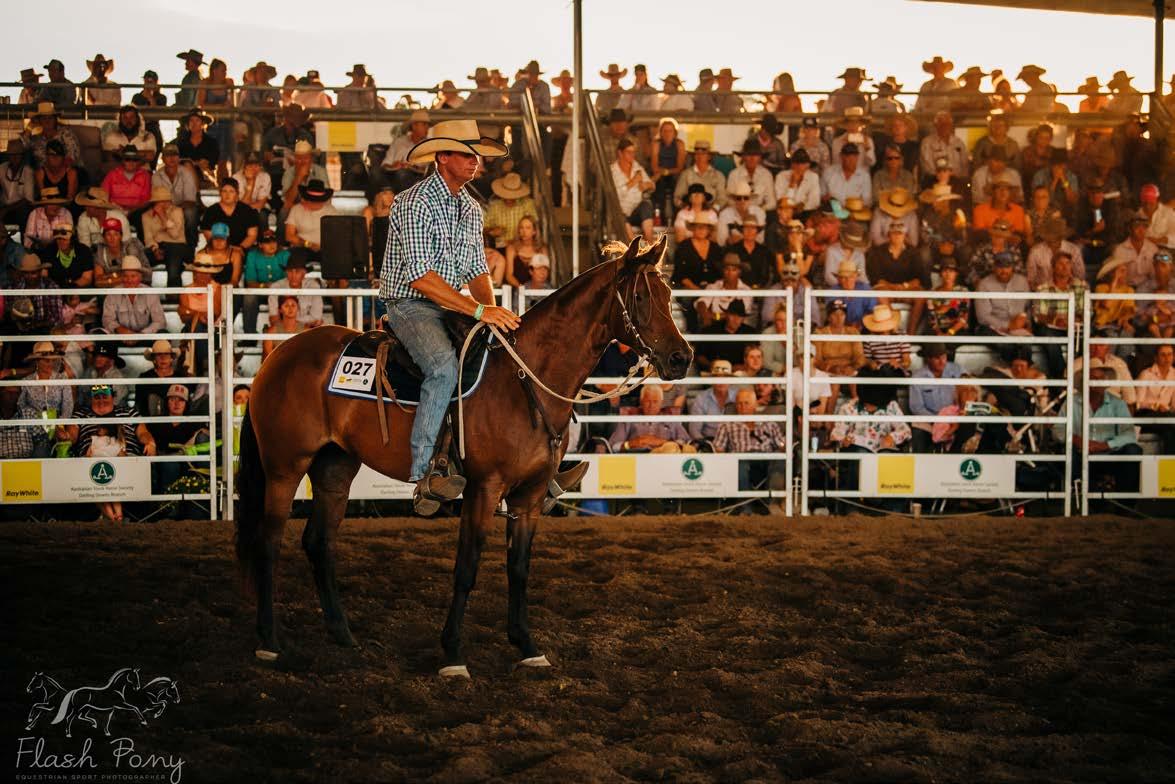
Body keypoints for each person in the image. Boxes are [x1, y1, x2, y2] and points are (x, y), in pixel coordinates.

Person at [378, 119, 519, 512]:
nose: (475, 161)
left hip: (452, 304)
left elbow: (476, 269)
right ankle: (424, 470)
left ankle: (512, 460)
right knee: (442, 367)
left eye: (477, 156)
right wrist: (480, 310)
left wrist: (492, 313)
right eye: (466, 154)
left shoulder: (471, 207)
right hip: (409, 304)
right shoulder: (413, 202)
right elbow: (420, 277)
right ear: (442, 157)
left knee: (504, 356)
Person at [66, 383, 155, 522]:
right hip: (90, 462)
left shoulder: (129, 413)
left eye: (105, 396)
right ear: (91, 399)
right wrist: (61, 434)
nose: (101, 400)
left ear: (113, 397)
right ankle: (115, 517)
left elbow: (143, 433)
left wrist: (150, 443)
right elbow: (71, 437)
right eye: (97, 397)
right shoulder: (80, 414)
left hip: (127, 461)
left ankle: (112, 516)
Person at [1057, 368, 1141, 494]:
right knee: (1068, 450)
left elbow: (1129, 434)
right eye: (1092, 378)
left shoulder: (1118, 403)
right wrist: (1077, 440)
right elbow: (1057, 429)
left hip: (1110, 455)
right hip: (1080, 455)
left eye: (1100, 379)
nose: (1096, 382)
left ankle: (1125, 501)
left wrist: (1104, 445)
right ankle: (1078, 496)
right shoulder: (1071, 402)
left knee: (1133, 450)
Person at [712, 387, 787, 491]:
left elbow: (781, 445)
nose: (742, 407)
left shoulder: (768, 423)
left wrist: (784, 447)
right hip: (740, 458)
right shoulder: (727, 425)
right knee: (739, 463)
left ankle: (773, 497)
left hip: (766, 458)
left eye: (746, 403)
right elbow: (718, 449)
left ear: (755, 405)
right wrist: (728, 460)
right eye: (739, 403)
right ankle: (745, 500)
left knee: (780, 459)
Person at [866, 220, 929, 330]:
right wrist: (893, 287)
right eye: (893, 233)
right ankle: (893, 329)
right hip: (887, 289)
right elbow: (876, 278)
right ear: (888, 235)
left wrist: (904, 286)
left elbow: (919, 278)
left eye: (900, 233)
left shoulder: (913, 252)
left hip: (906, 290)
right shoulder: (878, 252)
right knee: (879, 294)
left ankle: (911, 333)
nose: (897, 236)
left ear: (905, 235)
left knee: (921, 296)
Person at [909, 343, 962, 452]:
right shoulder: (917, 378)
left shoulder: (957, 370)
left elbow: (970, 390)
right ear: (928, 359)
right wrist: (938, 420)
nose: (942, 361)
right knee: (918, 429)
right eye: (937, 358)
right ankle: (920, 460)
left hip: (955, 418)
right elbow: (917, 408)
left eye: (944, 357)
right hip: (930, 419)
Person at [609, 385, 694, 453]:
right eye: (647, 401)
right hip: (636, 457)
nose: (651, 405)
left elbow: (685, 441)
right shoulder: (630, 418)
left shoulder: (670, 419)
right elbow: (614, 446)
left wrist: (662, 442)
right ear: (641, 401)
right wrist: (631, 444)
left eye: (655, 401)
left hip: (664, 458)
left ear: (661, 403)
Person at [101, 256, 164, 342]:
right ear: (121, 277)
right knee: (101, 334)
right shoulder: (113, 294)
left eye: (133, 276)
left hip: (144, 337)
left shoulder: (150, 293)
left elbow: (159, 322)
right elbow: (107, 319)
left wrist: (140, 335)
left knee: (163, 333)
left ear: (140, 277)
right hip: (120, 337)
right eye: (125, 276)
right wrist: (121, 331)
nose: (129, 280)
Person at [141, 186, 190, 287]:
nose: (164, 204)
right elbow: (148, 238)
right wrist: (155, 249)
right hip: (157, 245)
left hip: (176, 245)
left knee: (173, 270)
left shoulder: (177, 211)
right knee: (141, 261)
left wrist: (162, 215)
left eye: (166, 201)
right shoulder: (146, 215)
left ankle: (174, 295)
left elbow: (175, 234)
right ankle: (145, 291)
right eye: (160, 201)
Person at [152, 143, 200, 239]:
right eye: (168, 155)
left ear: (178, 158)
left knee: (190, 212)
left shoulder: (186, 173)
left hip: (184, 207)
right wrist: (169, 209)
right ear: (163, 158)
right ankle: (160, 244)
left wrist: (176, 209)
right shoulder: (157, 176)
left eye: (174, 155)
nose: (172, 158)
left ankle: (191, 243)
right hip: (164, 208)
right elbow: (158, 200)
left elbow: (190, 200)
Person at [612, 139, 655, 243]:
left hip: (636, 211)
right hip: (621, 212)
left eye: (633, 152)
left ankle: (650, 242)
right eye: (629, 152)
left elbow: (652, 185)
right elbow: (614, 195)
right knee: (620, 214)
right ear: (620, 153)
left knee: (646, 205)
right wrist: (632, 182)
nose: (632, 155)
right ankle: (635, 246)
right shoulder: (612, 170)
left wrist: (646, 185)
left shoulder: (637, 167)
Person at [266, 249, 323, 328]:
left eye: (297, 271)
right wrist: (306, 321)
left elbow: (317, 319)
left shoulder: (313, 286)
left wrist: (289, 320)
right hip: (285, 330)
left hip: (306, 330)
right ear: (286, 272)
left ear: (304, 273)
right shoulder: (276, 287)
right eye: (290, 271)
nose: (293, 275)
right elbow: (273, 319)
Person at [1134, 344, 1175, 453]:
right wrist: (1155, 406)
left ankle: (1170, 462)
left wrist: (1168, 409)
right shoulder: (1146, 374)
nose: (1167, 358)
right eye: (1163, 355)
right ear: (1156, 357)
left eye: (1170, 354)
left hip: (1165, 416)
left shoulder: (1174, 375)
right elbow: (1137, 403)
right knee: (1169, 424)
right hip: (1146, 414)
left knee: (1169, 430)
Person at [200, 178, 258, 251]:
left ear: (237, 194)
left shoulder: (247, 210)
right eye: (224, 191)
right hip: (217, 249)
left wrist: (239, 248)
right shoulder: (211, 211)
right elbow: (209, 236)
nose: (227, 195)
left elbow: (252, 235)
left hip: (241, 249)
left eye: (231, 191)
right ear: (220, 193)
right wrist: (225, 250)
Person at [697, 254, 754, 323]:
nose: (729, 273)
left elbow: (739, 313)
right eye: (727, 269)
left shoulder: (746, 290)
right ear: (722, 270)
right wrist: (705, 315)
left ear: (739, 272)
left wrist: (716, 316)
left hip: (738, 325)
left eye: (734, 270)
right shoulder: (714, 286)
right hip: (716, 325)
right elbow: (701, 302)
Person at [136, 340, 187, 417]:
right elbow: (139, 406)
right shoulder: (144, 378)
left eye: (166, 354)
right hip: (150, 421)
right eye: (159, 354)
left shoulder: (181, 378)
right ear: (154, 359)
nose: (163, 358)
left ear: (171, 358)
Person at [484, 173, 537, 247]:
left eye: (512, 197)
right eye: (506, 195)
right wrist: (491, 231)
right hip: (501, 247)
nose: (508, 199)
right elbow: (484, 227)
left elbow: (534, 226)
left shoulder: (527, 204)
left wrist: (515, 241)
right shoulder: (495, 206)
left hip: (523, 245)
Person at [687, 359, 734, 442]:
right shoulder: (701, 398)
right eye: (717, 377)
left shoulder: (737, 396)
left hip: (733, 442)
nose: (721, 381)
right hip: (707, 441)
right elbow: (694, 431)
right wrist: (706, 445)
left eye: (725, 377)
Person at [92, 217, 146, 288]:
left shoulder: (129, 248)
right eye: (108, 234)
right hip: (112, 290)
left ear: (121, 236)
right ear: (103, 237)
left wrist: (109, 278)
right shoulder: (100, 251)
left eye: (116, 234)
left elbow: (130, 278)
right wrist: (118, 276)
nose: (112, 238)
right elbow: (98, 282)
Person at [674, 140, 726, 211]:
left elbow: (722, 198)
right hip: (690, 211)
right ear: (694, 156)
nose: (699, 156)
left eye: (703, 154)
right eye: (697, 154)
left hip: (711, 210)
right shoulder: (686, 174)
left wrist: (713, 210)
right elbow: (677, 198)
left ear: (709, 156)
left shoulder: (718, 175)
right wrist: (685, 207)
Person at [173, 108, 220, 185]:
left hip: (205, 177)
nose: (194, 124)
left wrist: (196, 164)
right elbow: (176, 160)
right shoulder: (180, 142)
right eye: (191, 120)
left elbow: (211, 163)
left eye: (197, 120)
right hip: (183, 177)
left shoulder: (211, 142)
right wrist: (195, 163)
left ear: (203, 123)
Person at [650, 118, 686, 215]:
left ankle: (676, 214)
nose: (667, 133)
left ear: (675, 133)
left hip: (674, 174)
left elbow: (680, 167)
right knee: (657, 186)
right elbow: (654, 166)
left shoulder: (679, 144)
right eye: (665, 131)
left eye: (670, 131)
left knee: (677, 185)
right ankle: (658, 215)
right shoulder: (656, 144)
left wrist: (667, 172)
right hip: (659, 174)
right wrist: (662, 172)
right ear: (661, 133)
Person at [281, 140, 329, 212]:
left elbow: (326, 198)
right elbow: (288, 201)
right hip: (295, 210)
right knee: (284, 212)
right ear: (295, 159)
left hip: (317, 208)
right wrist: (298, 177)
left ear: (311, 159)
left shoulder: (320, 171)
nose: (302, 162)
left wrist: (309, 207)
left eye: (305, 158)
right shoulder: (289, 173)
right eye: (299, 158)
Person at [78, 342, 128, 408]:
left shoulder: (118, 377)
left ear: (112, 360)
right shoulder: (89, 371)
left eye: (102, 356)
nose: (97, 358)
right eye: (96, 355)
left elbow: (115, 403)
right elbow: (82, 394)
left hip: (115, 412)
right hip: (89, 410)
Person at [715, 182, 767, 246]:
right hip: (733, 248)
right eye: (739, 198)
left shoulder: (759, 212)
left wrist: (741, 239)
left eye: (746, 198)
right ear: (734, 200)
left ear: (750, 199)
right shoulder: (725, 214)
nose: (742, 201)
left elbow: (760, 239)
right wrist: (730, 240)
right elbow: (721, 240)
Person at [822, 142, 872, 207]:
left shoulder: (864, 176)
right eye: (848, 157)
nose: (851, 161)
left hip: (855, 211)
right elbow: (821, 195)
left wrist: (856, 204)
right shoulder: (829, 172)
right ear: (841, 157)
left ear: (858, 157)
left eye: (854, 157)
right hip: (832, 209)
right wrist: (825, 198)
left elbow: (867, 201)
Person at [503, 215, 548, 288]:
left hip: (536, 288)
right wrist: (521, 289)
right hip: (516, 288)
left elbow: (544, 274)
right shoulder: (512, 248)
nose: (524, 231)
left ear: (534, 231)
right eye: (521, 228)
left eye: (528, 228)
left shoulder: (541, 249)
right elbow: (509, 275)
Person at [774, 148, 821, 215]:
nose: (799, 166)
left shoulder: (813, 177)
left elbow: (815, 201)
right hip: (785, 213)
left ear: (808, 165)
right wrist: (792, 185)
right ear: (792, 164)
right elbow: (781, 201)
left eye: (803, 163)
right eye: (797, 163)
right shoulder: (781, 176)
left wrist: (803, 207)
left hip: (806, 213)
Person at [1, 141, 35, 228]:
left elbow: (28, 199)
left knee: (23, 212)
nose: (15, 157)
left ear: (22, 156)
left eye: (18, 155)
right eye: (12, 155)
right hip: (4, 205)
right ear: (8, 156)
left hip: (20, 208)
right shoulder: (2, 168)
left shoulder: (27, 171)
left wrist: (6, 210)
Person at [263, 295, 308, 361]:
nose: (290, 309)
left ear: (298, 308)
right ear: (280, 310)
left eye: (293, 305)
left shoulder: (305, 330)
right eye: (286, 306)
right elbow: (267, 360)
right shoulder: (272, 331)